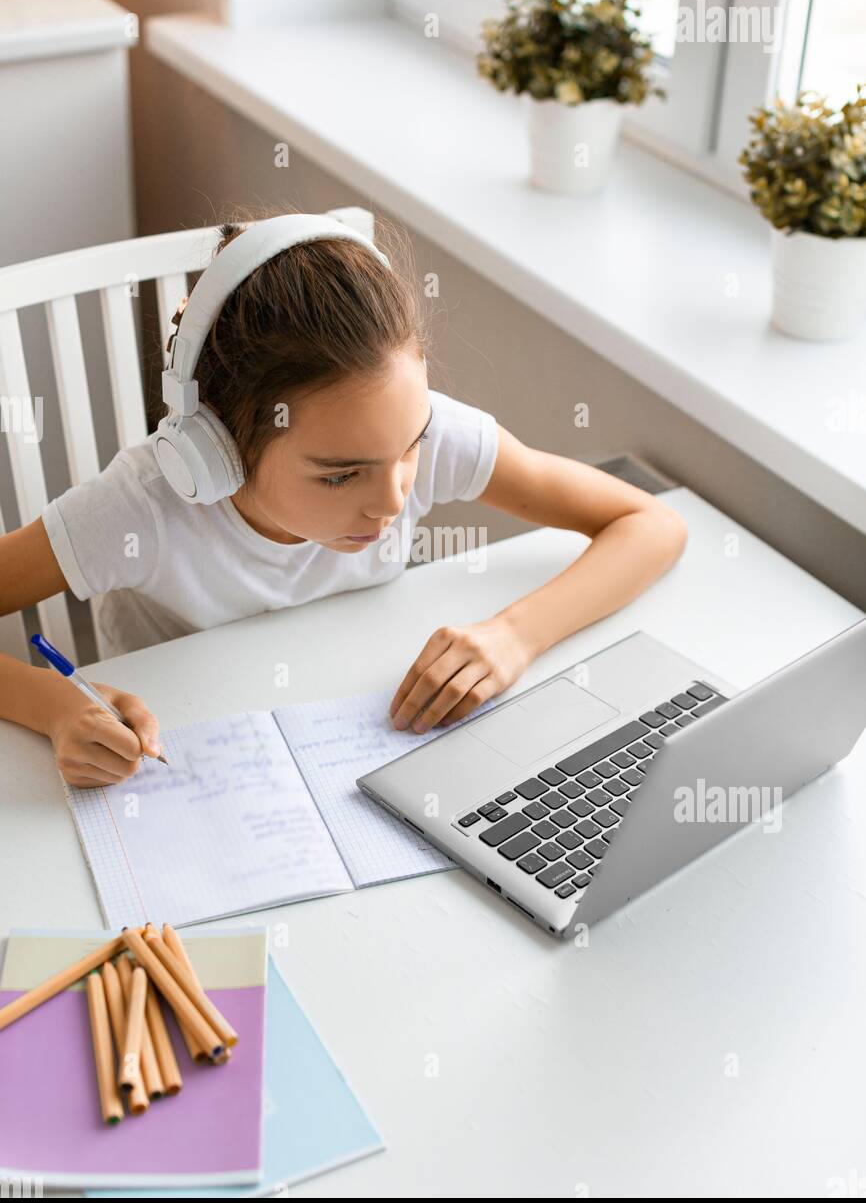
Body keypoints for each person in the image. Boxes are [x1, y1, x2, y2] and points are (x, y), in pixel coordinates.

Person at [0, 209, 687, 787]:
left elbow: (651, 523)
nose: (392, 501)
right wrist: (52, 702)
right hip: (195, 764)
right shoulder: (142, 510)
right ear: (216, 449)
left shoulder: (422, 435)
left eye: (412, 445)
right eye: (339, 475)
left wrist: (515, 634)